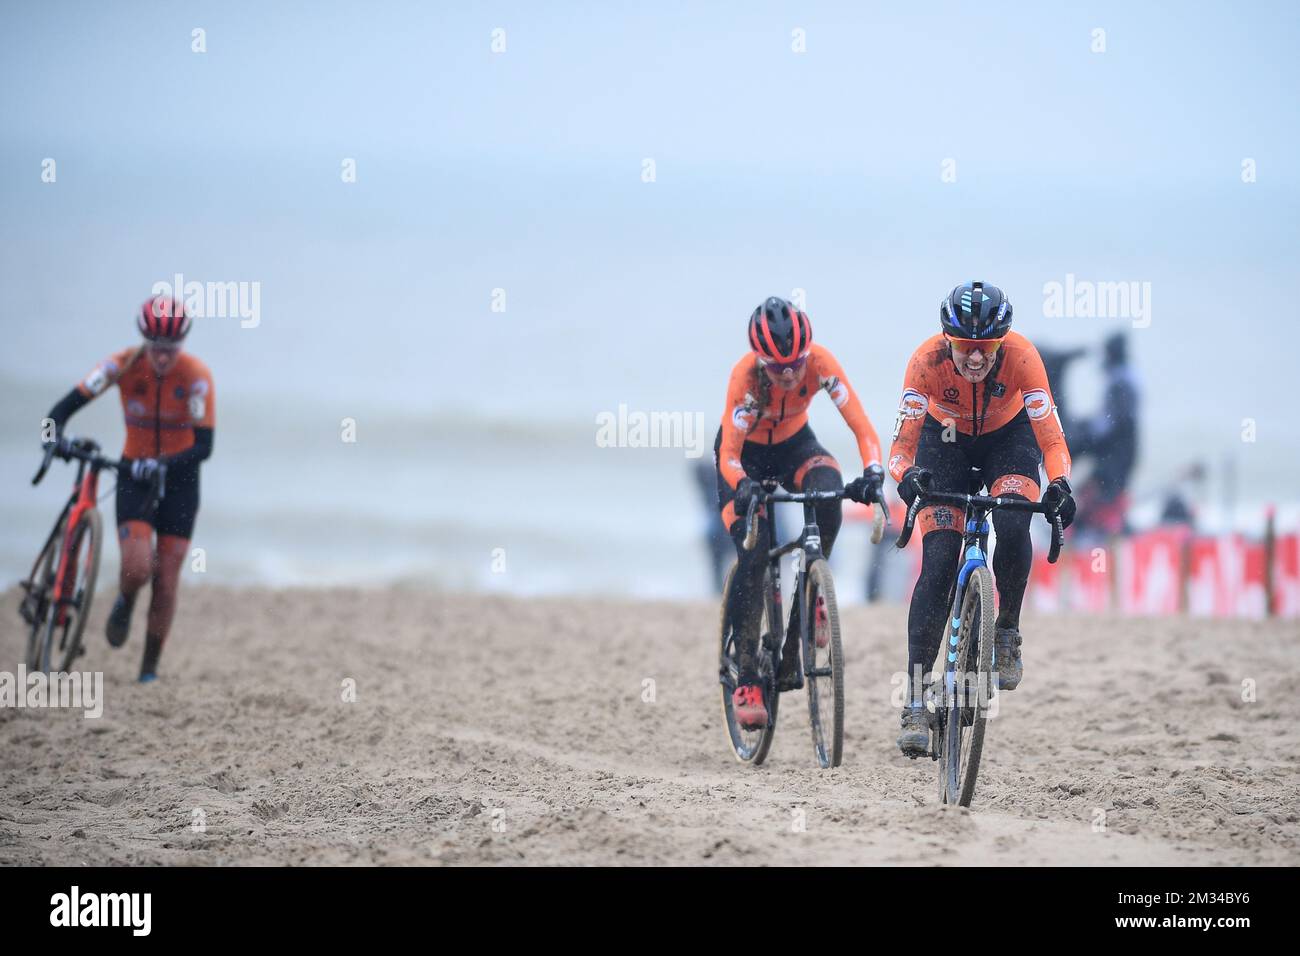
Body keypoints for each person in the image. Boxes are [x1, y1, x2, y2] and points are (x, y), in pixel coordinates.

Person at [887, 281, 1075, 755]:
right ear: (947, 340)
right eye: (966, 348)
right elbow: (901, 448)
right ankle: (914, 698)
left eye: (986, 348)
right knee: (939, 560)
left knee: (1013, 521)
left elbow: (1051, 439)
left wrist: (1059, 483)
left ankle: (1006, 629)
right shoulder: (924, 361)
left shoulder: (1023, 357)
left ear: (1001, 341)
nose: (975, 359)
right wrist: (907, 475)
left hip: (1007, 441)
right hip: (942, 439)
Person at [715, 296, 884, 729]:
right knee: (754, 558)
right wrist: (744, 486)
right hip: (745, 462)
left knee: (829, 493)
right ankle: (748, 680)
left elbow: (861, 425)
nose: (789, 374)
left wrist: (872, 472)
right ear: (760, 360)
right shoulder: (744, 378)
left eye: (796, 363)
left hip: (795, 446)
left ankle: (812, 599)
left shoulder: (821, 363)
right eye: (778, 367)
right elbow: (729, 457)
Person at [44, 295, 215, 682]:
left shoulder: (196, 377)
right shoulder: (121, 365)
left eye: (170, 349)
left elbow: (205, 446)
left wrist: (162, 464)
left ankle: (148, 671)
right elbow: (62, 408)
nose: (162, 357)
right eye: (156, 347)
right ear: (144, 339)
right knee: (138, 567)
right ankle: (125, 598)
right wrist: (50, 436)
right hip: (133, 474)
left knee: (167, 579)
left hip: (181, 481)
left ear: (181, 344)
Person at [1069, 331, 1140, 538]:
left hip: (1117, 456)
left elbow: (1108, 425)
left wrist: (1082, 436)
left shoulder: (1120, 384)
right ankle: (1101, 532)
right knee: (1100, 492)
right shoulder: (1127, 378)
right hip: (1122, 452)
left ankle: (1092, 538)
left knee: (1098, 494)